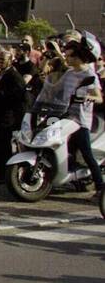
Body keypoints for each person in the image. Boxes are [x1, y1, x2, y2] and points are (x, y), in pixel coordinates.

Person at [43, 40, 104, 197]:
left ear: (78, 57)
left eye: (70, 56)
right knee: (57, 145)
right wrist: (46, 84)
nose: (67, 59)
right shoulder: (69, 73)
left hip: (81, 121)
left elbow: (99, 98)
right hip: (65, 116)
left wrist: (87, 97)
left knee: (86, 154)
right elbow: (56, 88)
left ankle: (100, 187)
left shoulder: (90, 75)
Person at [0, 47, 29, 181]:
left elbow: (15, 96)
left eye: (3, 59)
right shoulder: (1, 74)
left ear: (10, 61)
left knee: (2, 147)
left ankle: (3, 175)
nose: (0, 62)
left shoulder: (13, 76)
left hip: (5, 117)